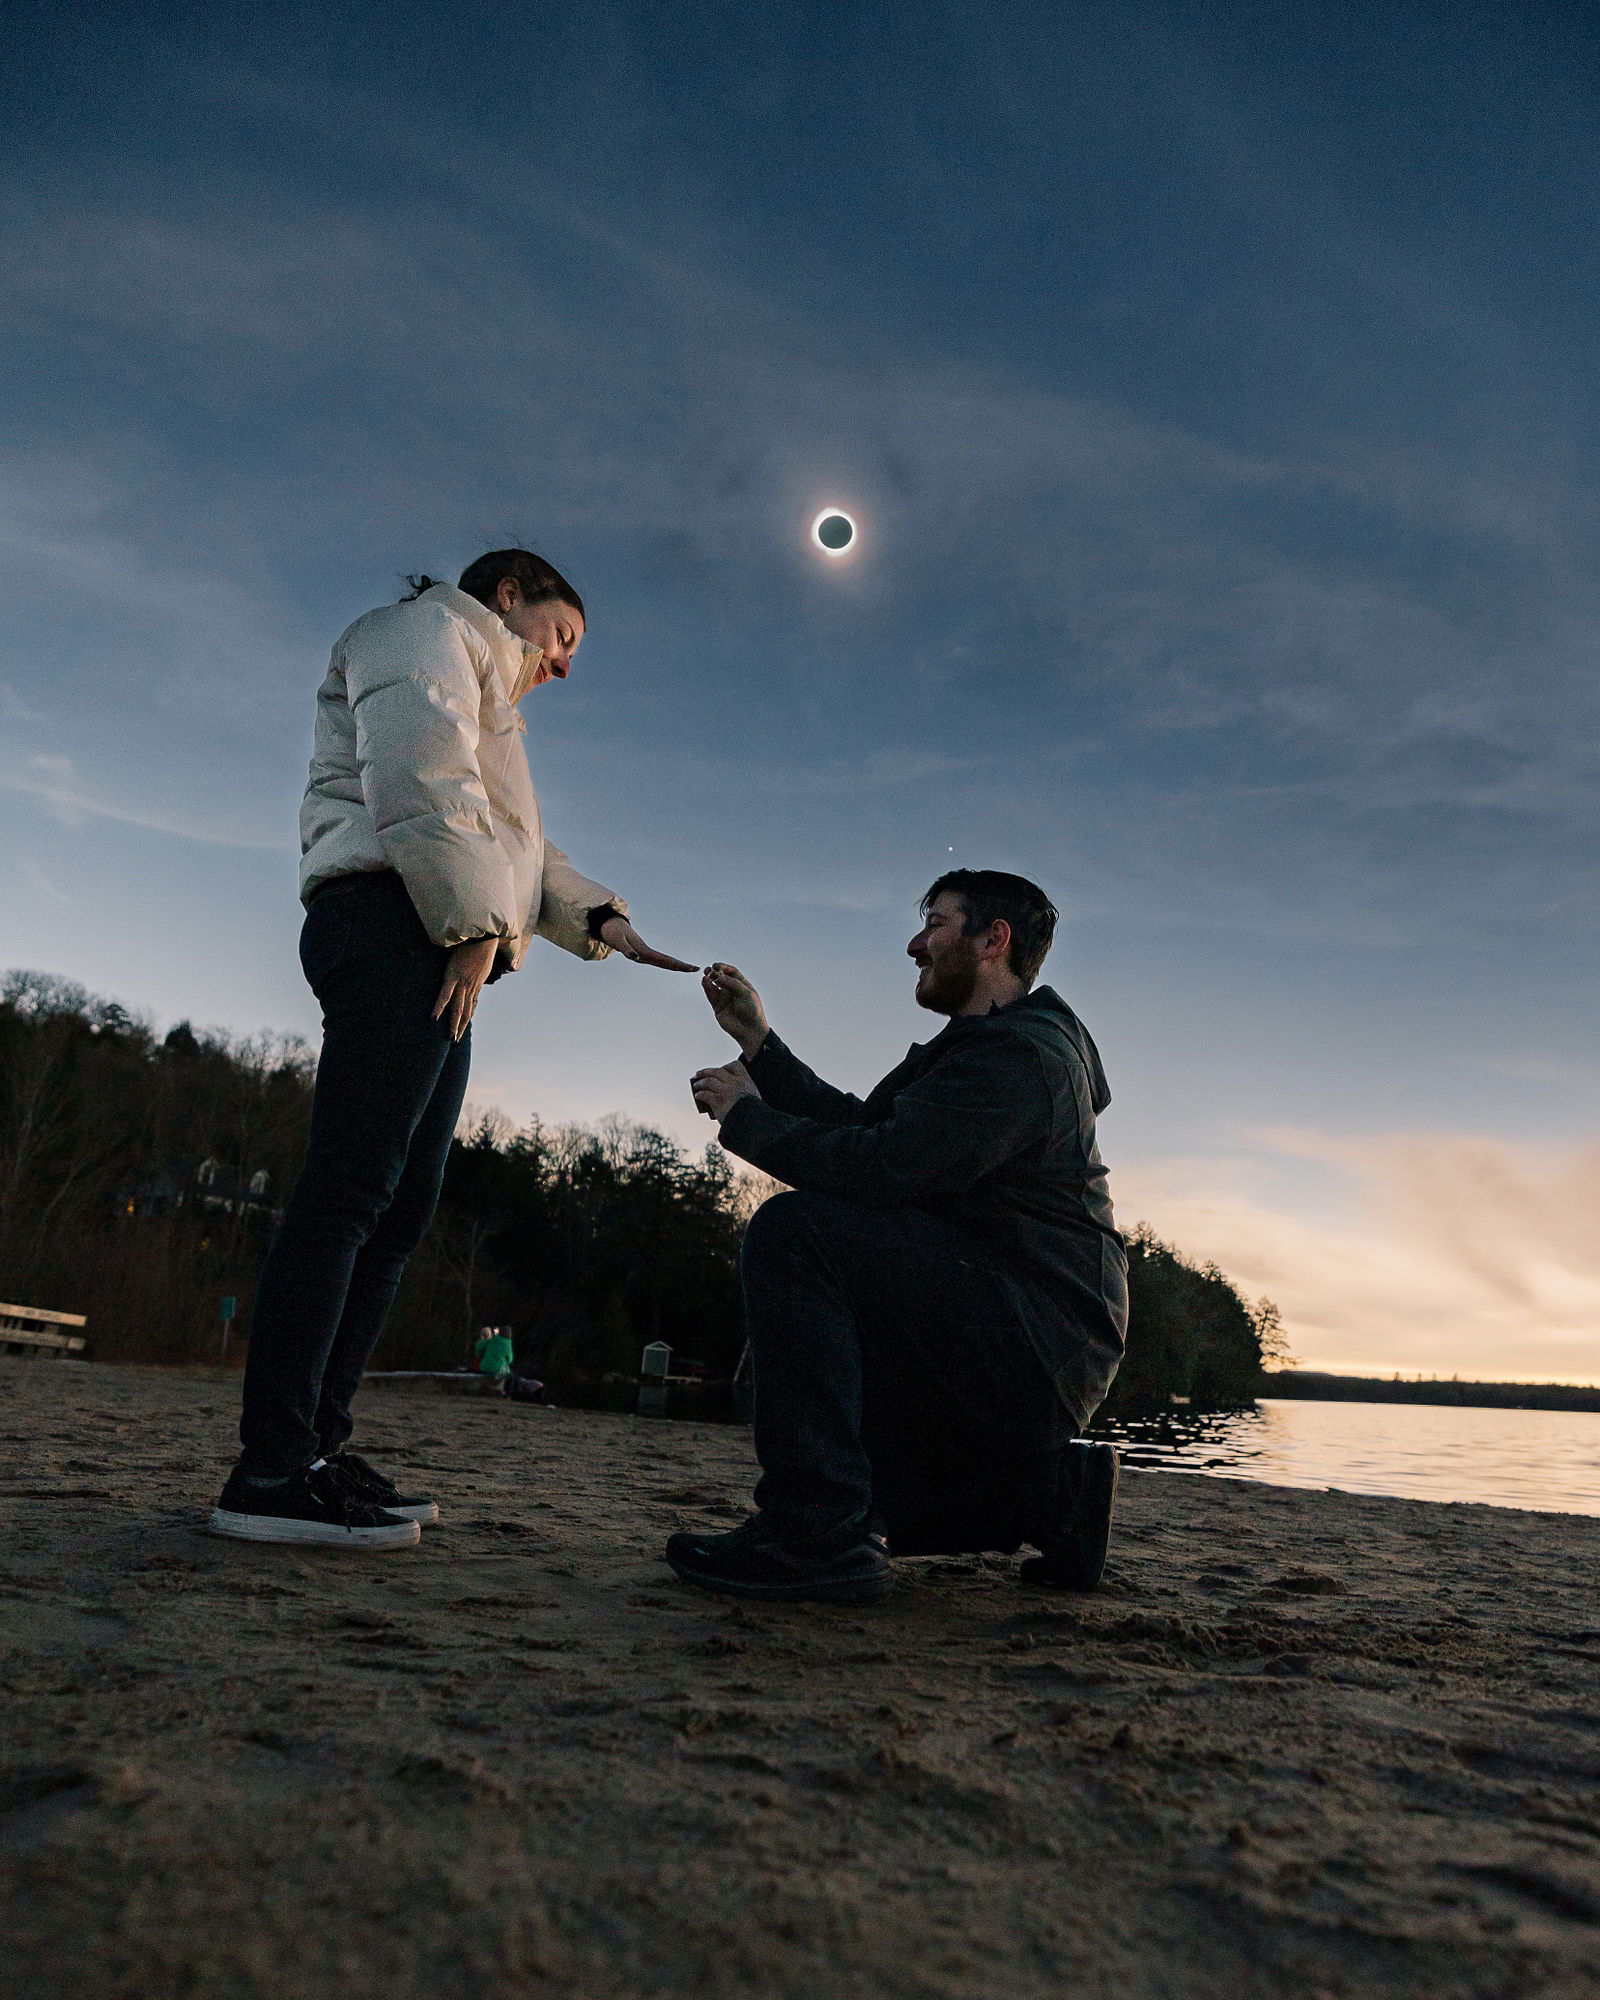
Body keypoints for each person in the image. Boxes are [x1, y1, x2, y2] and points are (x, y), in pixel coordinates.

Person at [211, 550, 695, 1549]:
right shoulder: (421, 634)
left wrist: (601, 918)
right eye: (562, 637)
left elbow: (520, 848)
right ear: (507, 594)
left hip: (440, 932)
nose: (565, 665)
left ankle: (312, 1451)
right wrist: (475, 923)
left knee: (399, 1208)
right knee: (349, 1192)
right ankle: (267, 1468)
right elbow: (418, 773)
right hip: (393, 920)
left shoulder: (492, 702)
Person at [671, 869, 1126, 1605]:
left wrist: (748, 1121)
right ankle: (1053, 1495)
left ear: (992, 940)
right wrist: (759, 1044)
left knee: (796, 1234)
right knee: (861, 1470)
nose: (916, 945)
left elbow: (882, 1168)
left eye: (936, 925)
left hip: (1036, 1337)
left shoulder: (1023, 1057)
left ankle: (815, 1536)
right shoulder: (978, 1048)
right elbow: (868, 1130)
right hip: (1008, 1324)